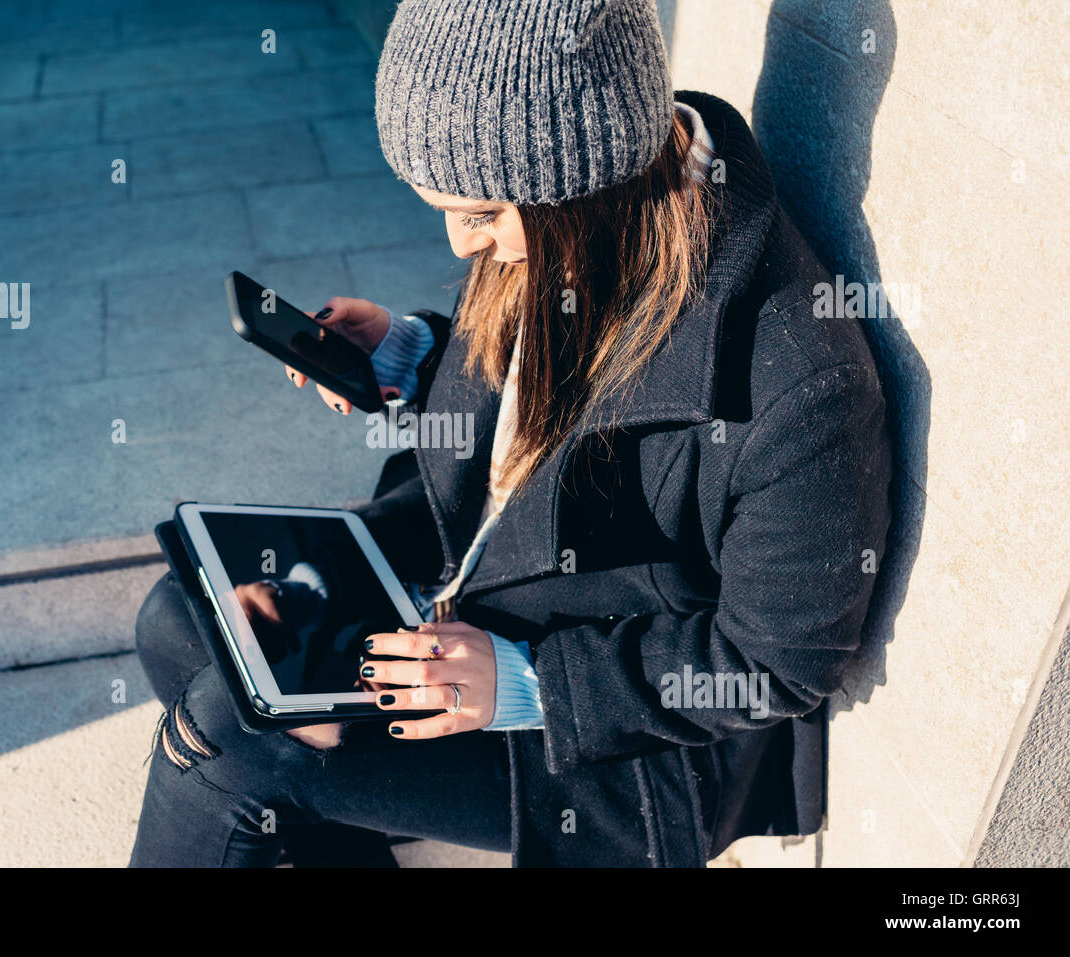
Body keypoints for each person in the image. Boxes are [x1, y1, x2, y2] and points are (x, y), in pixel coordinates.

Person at [129, 0, 893, 867]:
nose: (462, 245)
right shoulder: (590, 220)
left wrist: (528, 685)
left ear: (582, 180)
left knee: (230, 744)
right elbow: (544, 401)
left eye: (483, 212)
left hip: (620, 740)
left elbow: (778, 659)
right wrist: (410, 356)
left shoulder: (800, 380)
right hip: (468, 593)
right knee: (178, 620)